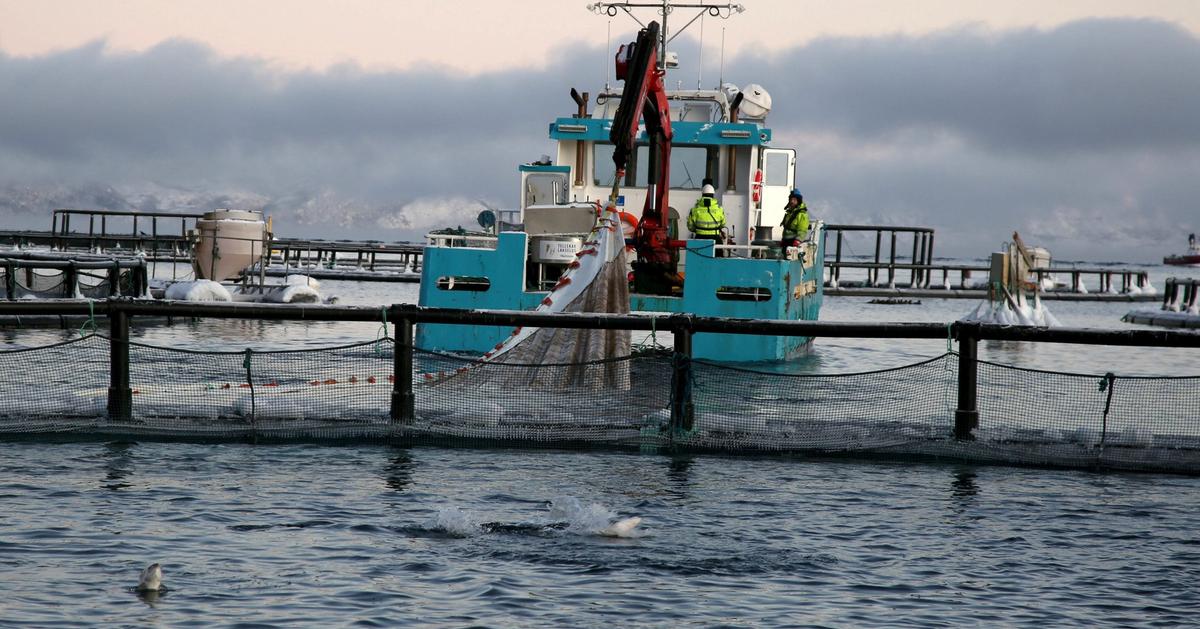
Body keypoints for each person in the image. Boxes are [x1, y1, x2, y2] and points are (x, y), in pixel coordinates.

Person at [687, 182, 726, 255]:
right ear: (713, 195)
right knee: (718, 259)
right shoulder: (719, 209)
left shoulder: (694, 210)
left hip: (699, 238)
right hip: (715, 239)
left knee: (699, 258)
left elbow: (690, 227)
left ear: (702, 194)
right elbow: (723, 224)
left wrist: (698, 230)